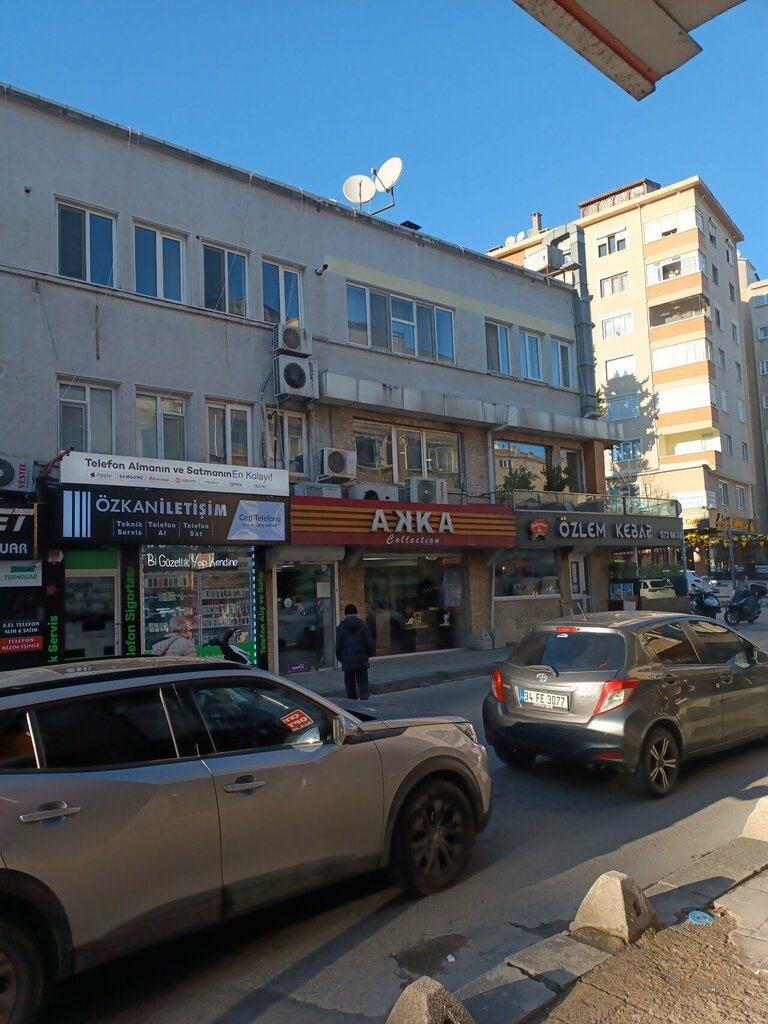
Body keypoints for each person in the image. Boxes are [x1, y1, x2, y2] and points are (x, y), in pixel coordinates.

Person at [335, 603, 374, 700]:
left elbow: (338, 647)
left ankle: (353, 708)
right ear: (356, 613)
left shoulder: (340, 628)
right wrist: (367, 656)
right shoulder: (363, 625)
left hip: (347, 663)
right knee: (363, 687)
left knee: (350, 689)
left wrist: (341, 659)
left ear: (345, 614)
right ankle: (365, 708)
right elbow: (369, 643)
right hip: (361, 661)